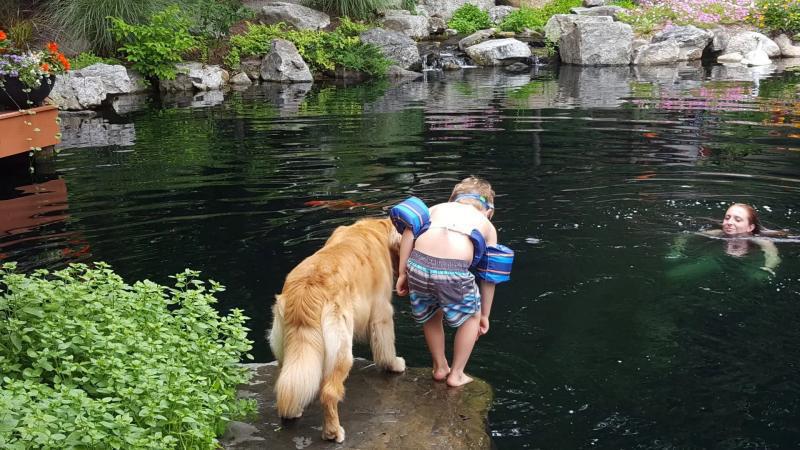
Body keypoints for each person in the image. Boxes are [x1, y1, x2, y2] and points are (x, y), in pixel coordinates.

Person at [390, 177, 513, 387]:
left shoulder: (436, 208)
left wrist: (402, 273)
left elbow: (409, 231)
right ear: (489, 211)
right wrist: (484, 314)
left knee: (431, 314)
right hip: (453, 269)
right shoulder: (487, 225)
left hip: (417, 264)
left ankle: (439, 367)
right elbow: (489, 275)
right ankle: (456, 374)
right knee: (471, 318)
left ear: (453, 199)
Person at [668, 203, 781, 278]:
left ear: (750, 227)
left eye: (737, 220)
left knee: (754, 279)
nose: (729, 222)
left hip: (749, 262)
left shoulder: (761, 240)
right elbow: (684, 236)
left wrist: (766, 269)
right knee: (673, 275)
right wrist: (676, 250)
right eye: (727, 218)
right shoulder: (718, 233)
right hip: (717, 259)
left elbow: (772, 256)